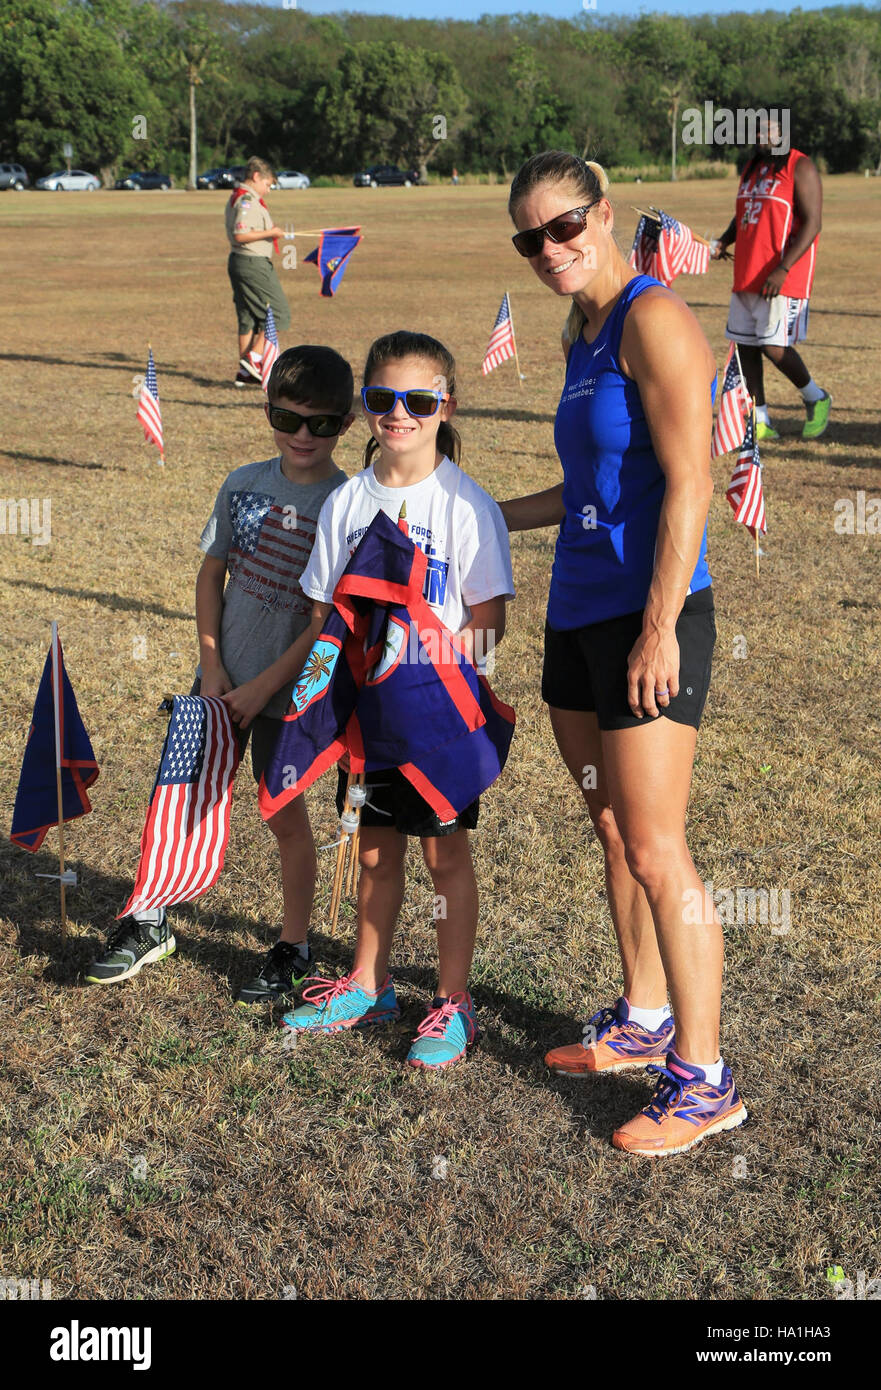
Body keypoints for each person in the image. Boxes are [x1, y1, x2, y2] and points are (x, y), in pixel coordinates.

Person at [503, 151, 747, 1155]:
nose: (550, 248)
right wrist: (474, 512)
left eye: (565, 227)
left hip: (650, 619)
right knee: (609, 827)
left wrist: (655, 626)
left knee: (656, 844)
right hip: (575, 615)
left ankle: (702, 1079)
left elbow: (690, 482)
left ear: (602, 215)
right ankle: (642, 1016)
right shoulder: (581, 332)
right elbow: (584, 491)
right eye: (530, 239)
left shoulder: (651, 318)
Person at [86, 346, 355, 1002]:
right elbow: (212, 572)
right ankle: (149, 921)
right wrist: (212, 667)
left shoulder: (348, 502)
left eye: (320, 424)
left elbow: (326, 621)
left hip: (286, 697)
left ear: (345, 425)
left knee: (284, 817)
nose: (300, 435)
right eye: (286, 418)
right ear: (268, 412)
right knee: (177, 801)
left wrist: (265, 687)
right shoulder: (242, 484)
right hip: (216, 683)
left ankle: (294, 945)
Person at [282, 331, 515, 1069]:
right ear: (366, 405)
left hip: (436, 719)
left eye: (418, 400)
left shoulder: (467, 504)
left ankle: (452, 1001)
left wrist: (434, 680)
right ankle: (368, 981)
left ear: (445, 405)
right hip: (366, 720)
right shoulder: (349, 500)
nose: (399, 414)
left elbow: (488, 620)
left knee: (446, 860)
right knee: (375, 853)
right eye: (382, 399)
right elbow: (326, 614)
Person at [712, 123, 830, 441]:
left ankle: (815, 397)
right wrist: (724, 241)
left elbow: (813, 223)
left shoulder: (799, 165)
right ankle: (759, 419)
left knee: (773, 345)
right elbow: (745, 213)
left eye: (770, 132)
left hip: (780, 275)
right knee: (746, 348)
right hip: (747, 274)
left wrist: (783, 268)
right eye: (758, 132)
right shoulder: (752, 167)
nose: (762, 138)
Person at [225, 156, 291, 388]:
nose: (268, 190)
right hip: (252, 262)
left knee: (248, 318)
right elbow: (240, 235)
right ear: (256, 177)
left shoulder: (238, 196)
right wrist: (270, 233)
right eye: (268, 184)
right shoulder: (247, 201)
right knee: (279, 313)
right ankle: (253, 360)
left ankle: (245, 373)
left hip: (239, 261)